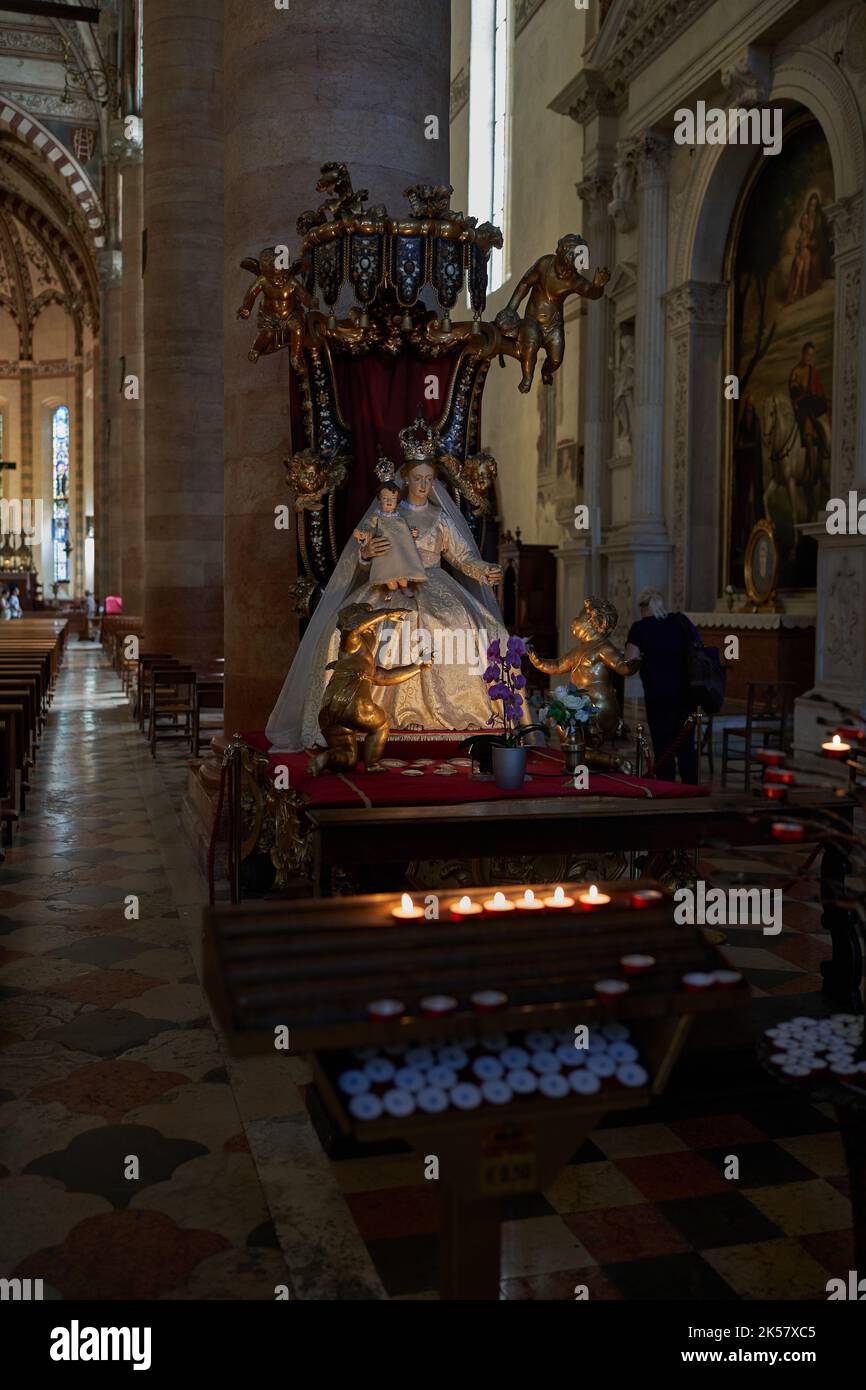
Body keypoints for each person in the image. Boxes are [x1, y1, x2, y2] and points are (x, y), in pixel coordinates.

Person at [266, 415, 507, 749]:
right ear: (404, 479)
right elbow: (362, 555)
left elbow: (462, 557)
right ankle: (360, 716)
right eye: (418, 478)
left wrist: (483, 570)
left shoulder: (440, 518)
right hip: (387, 586)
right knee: (355, 632)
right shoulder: (386, 512)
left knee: (457, 625)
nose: (424, 485)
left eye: (429, 479)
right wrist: (367, 553)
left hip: (435, 582)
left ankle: (458, 716)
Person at [624, 588, 699, 783]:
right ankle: (691, 786)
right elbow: (698, 647)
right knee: (685, 742)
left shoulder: (640, 628)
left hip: (658, 694)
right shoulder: (680, 621)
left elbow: (629, 660)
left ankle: (667, 784)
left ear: (643, 608)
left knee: (663, 741)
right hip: (686, 692)